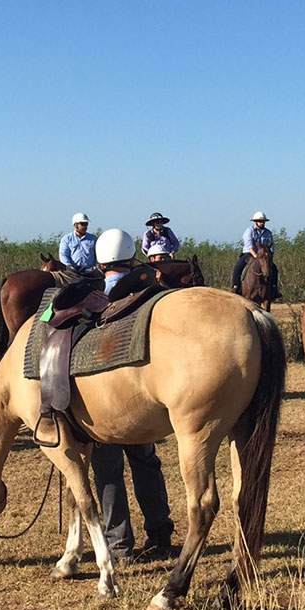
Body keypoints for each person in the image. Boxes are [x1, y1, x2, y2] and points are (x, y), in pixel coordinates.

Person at [89, 227, 175, 562]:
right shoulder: (150, 297)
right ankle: (161, 534)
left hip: (103, 407)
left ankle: (119, 546)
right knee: (147, 463)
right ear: (133, 259)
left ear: (100, 266)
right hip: (141, 404)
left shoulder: (93, 303)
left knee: (108, 471)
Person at [230, 211, 277, 297]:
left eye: (263, 221)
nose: (262, 223)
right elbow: (248, 245)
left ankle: (274, 289)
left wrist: (270, 257)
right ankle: (235, 286)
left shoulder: (268, 233)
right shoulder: (249, 231)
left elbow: (271, 246)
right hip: (250, 253)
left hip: (264, 256)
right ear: (255, 222)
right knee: (238, 267)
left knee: (274, 268)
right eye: (260, 221)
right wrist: (255, 256)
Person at [58, 213, 99, 277]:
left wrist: (95, 267)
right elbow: (63, 255)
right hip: (72, 272)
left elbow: (97, 254)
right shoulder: (66, 239)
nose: (85, 226)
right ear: (75, 225)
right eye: (83, 224)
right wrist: (70, 267)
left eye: (86, 224)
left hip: (90, 272)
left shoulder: (93, 239)